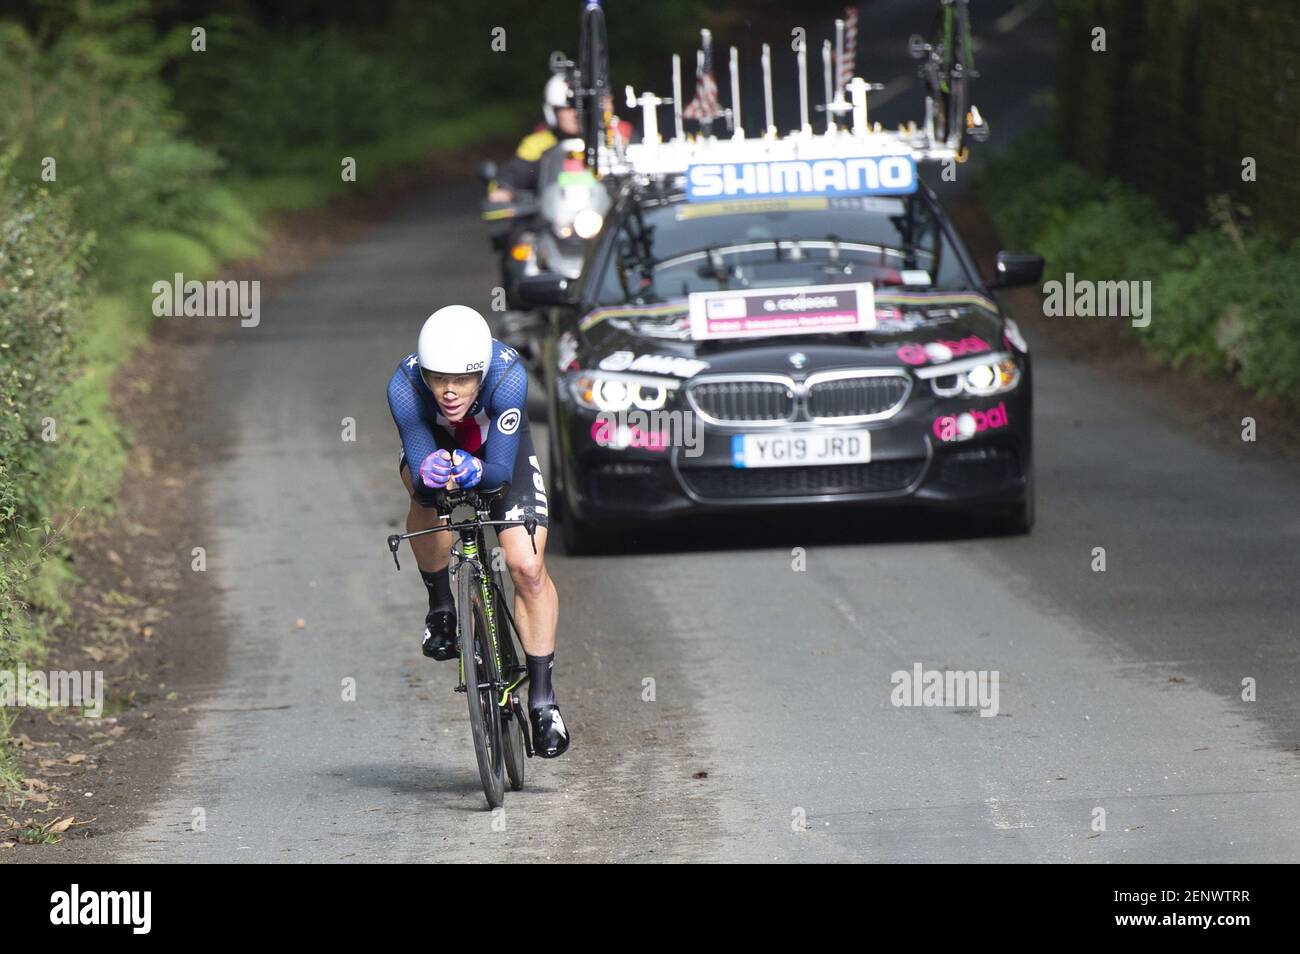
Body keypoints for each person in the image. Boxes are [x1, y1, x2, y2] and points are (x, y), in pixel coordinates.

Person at [386, 305, 570, 758]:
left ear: (481, 372)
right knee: (422, 494)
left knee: (526, 566)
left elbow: (501, 474)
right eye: (438, 378)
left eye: (463, 380)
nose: (449, 392)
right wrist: (432, 475)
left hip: (498, 452)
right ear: (424, 373)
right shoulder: (406, 388)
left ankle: (543, 701)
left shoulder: (508, 376)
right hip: (440, 448)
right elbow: (421, 464)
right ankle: (441, 609)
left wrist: (475, 468)